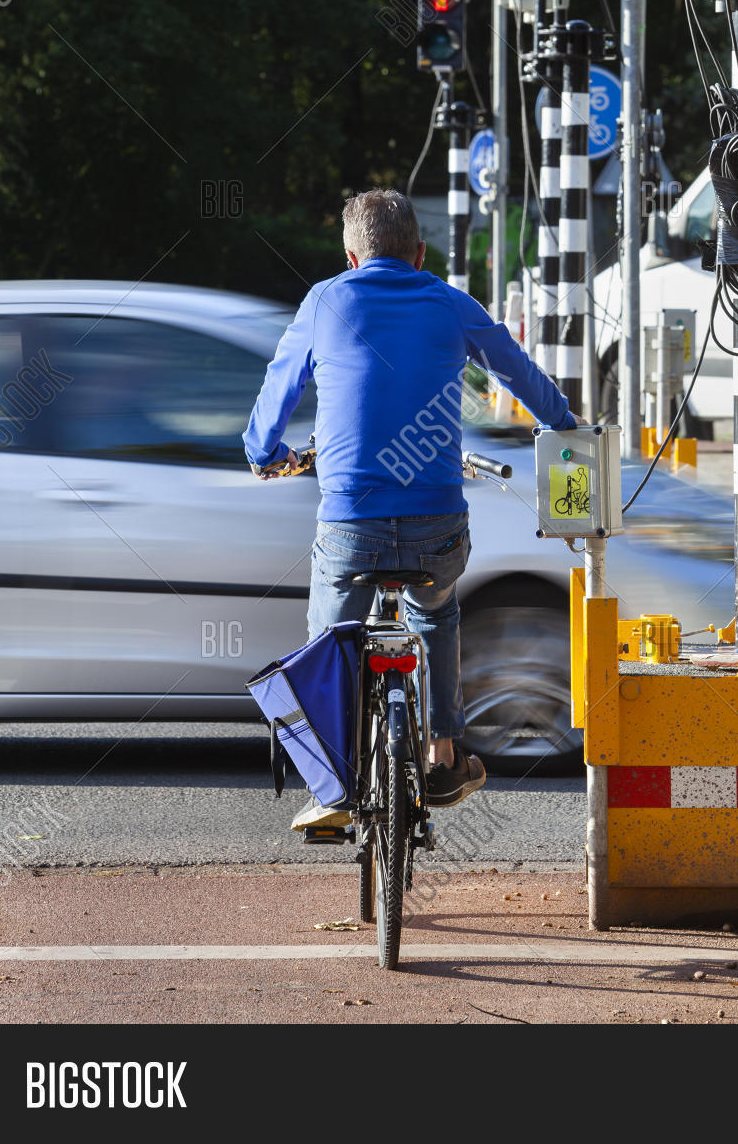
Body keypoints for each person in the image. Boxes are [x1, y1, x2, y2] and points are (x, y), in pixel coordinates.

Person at [243, 188, 576, 831]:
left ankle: (333, 783)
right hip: (436, 528)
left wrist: (266, 453)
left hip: (348, 526)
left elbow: (275, 396)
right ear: (420, 255)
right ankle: (442, 754)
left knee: (330, 641)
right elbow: (520, 375)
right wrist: (565, 425)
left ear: (349, 257)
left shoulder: (323, 302)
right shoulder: (451, 304)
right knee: (438, 611)